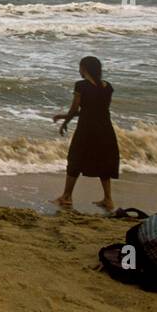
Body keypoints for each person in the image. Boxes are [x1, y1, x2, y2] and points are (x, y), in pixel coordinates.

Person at [51, 55, 119, 210]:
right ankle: (108, 199)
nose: (79, 70)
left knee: (75, 159)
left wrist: (65, 122)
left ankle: (66, 196)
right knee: (104, 162)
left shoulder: (81, 86)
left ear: (84, 68)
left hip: (87, 129)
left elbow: (76, 108)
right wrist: (63, 116)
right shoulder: (107, 87)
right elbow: (97, 109)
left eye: (80, 67)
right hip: (105, 129)